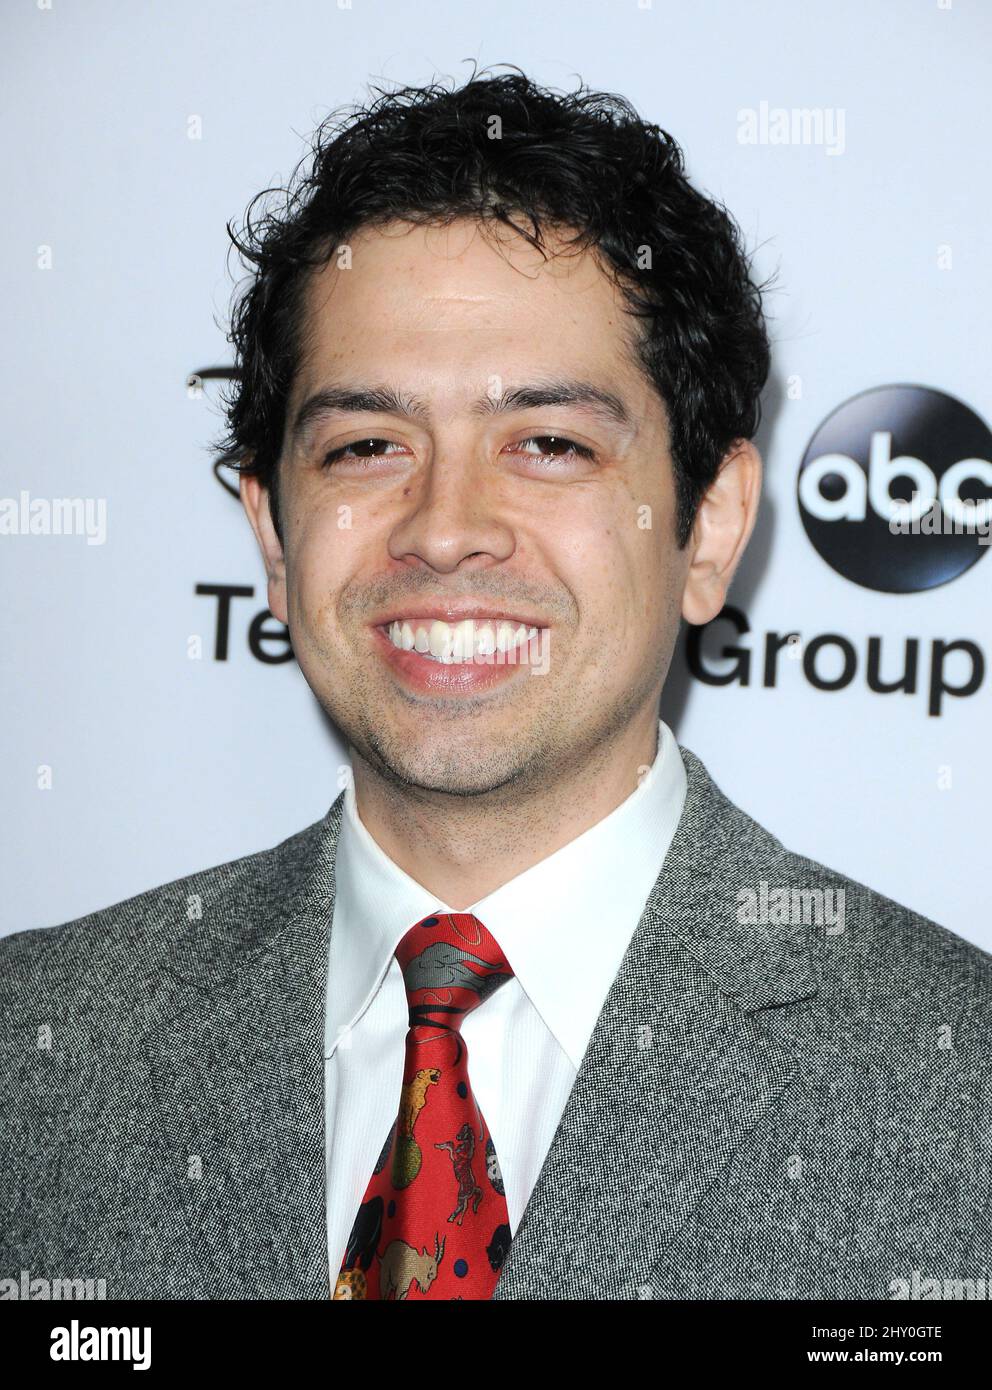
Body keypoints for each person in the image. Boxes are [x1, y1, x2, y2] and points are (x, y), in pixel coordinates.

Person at [3, 68, 990, 1303]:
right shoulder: (33, 1056)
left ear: (707, 526)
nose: (445, 527)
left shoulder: (961, 1100)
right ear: (270, 535)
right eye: (367, 445)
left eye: (549, 445)